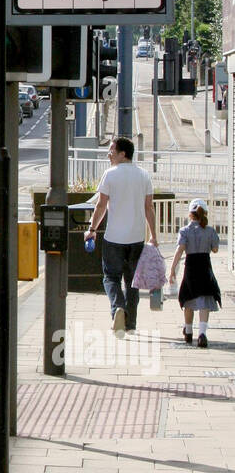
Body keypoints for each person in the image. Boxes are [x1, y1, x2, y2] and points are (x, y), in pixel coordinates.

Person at [85, 136, 156, 335]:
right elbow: (149, 207)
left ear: (123, 154)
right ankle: (131, 324)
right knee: (132, 282)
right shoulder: (144, 175)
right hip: (136, 238)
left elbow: (100, 206)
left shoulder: (110, 174)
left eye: (112, 151)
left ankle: (117, 308)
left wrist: (92, 230)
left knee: (110, 278)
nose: (109, 154)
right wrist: (154, 236)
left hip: (113, 237)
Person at [168, 198, 220, 348]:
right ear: (205, 213)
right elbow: (215, 249)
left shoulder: (184, 231)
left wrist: (172, 269)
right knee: (205, 297)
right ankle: (202, 333)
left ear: (190, 214)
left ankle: (189, 331)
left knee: (188, 297)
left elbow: (179, 250)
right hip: (205, 266)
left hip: (190, 267)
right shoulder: (210, 231)